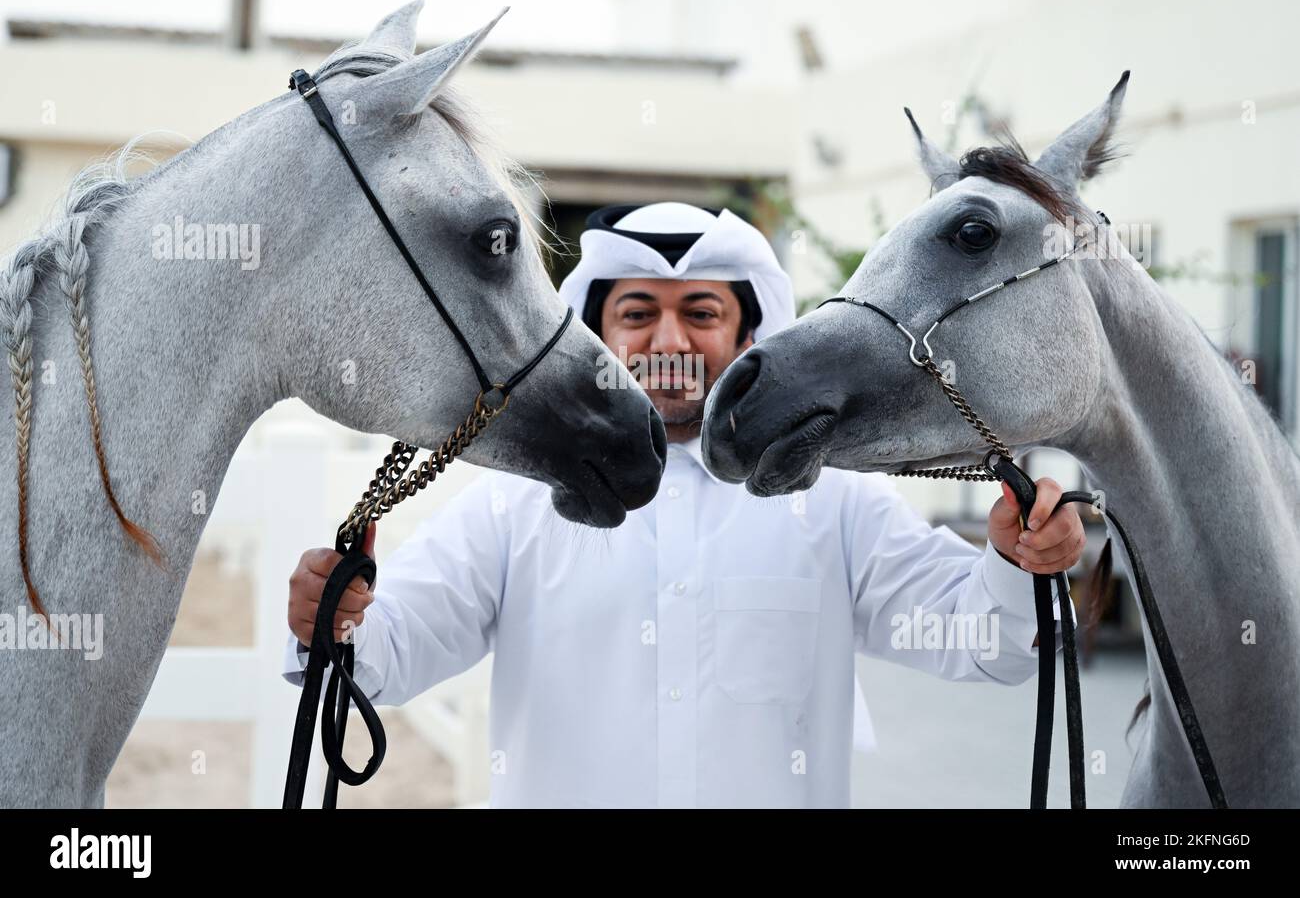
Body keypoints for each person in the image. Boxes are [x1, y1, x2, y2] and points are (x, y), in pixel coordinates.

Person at [283, 202, 1085, 807]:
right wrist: (335, 614)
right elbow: (384, 657)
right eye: (638, 313)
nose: (669, 341)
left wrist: (1022, 560)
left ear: (747, 337)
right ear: (596, 336)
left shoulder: (834, 502)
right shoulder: (514, 504)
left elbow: (991, 643)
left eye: (701, 312)